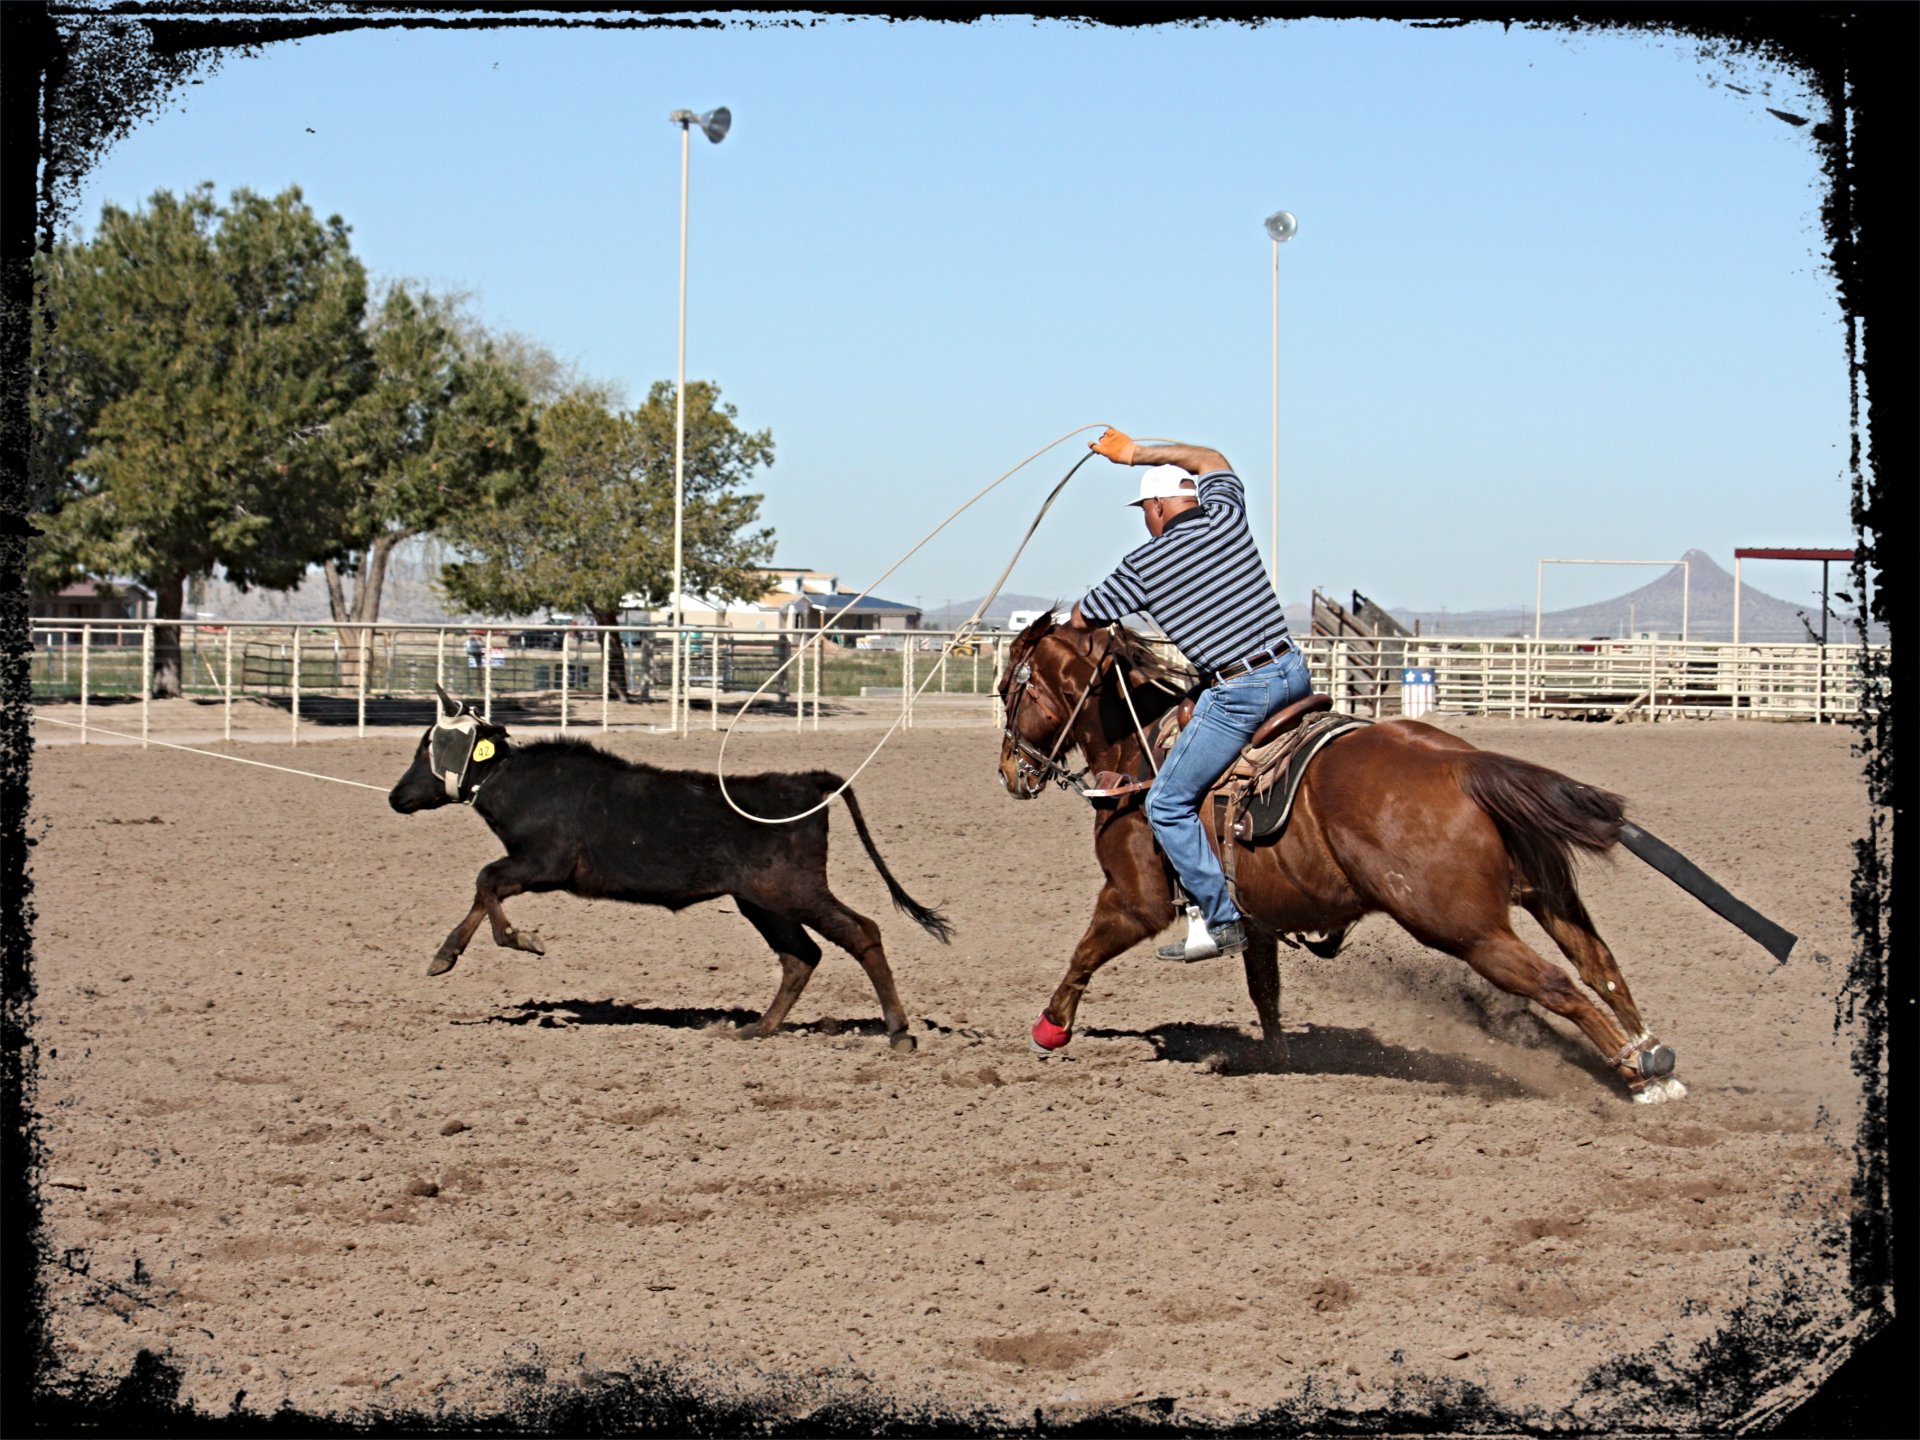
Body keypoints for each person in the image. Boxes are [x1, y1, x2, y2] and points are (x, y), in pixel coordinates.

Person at [1065, 426, 1313, 961]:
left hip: (1241, 692)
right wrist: (1135, 455)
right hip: (1292, 672)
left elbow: (1082, 617)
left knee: (1167, 802)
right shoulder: (1226, 517)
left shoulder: (1142, 566)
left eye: (1144, 510)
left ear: (1156, 507)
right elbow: (1212, 457)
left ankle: (1221, 920)